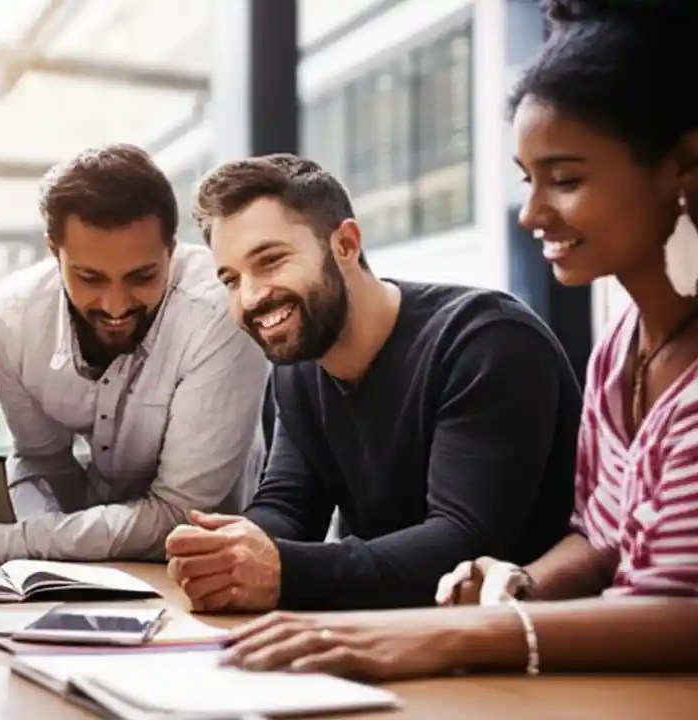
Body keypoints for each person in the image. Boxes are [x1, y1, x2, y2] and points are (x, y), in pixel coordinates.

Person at [216, 0, 698, 679]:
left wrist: (455, 635)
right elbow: (599, 539)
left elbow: (684, 610)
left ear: (682, 164)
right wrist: (521, 585)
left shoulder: (488, 340)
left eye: (565, 179)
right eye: (528, 180)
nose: (531, 212)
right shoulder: (622, 350)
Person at [165, 153, 584, 613]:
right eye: (230, 279)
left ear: (345, 244)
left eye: (270, 261)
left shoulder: (487, 342)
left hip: (528, 646)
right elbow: (289, 508)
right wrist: (222, 550)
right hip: (397, 638)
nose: (249, 297)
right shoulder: (300, 366)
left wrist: (286, 570)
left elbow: (464, 540)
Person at [0, 144, 267, 563]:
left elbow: (178, 515)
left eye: (142, 276)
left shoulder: (219, 314)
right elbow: (41, 463)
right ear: (54, 252)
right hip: (85, 569)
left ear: (171, 247)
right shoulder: (12, 324)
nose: (115, 306)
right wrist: (47, 570)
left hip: (204, 569)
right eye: (90, 277)